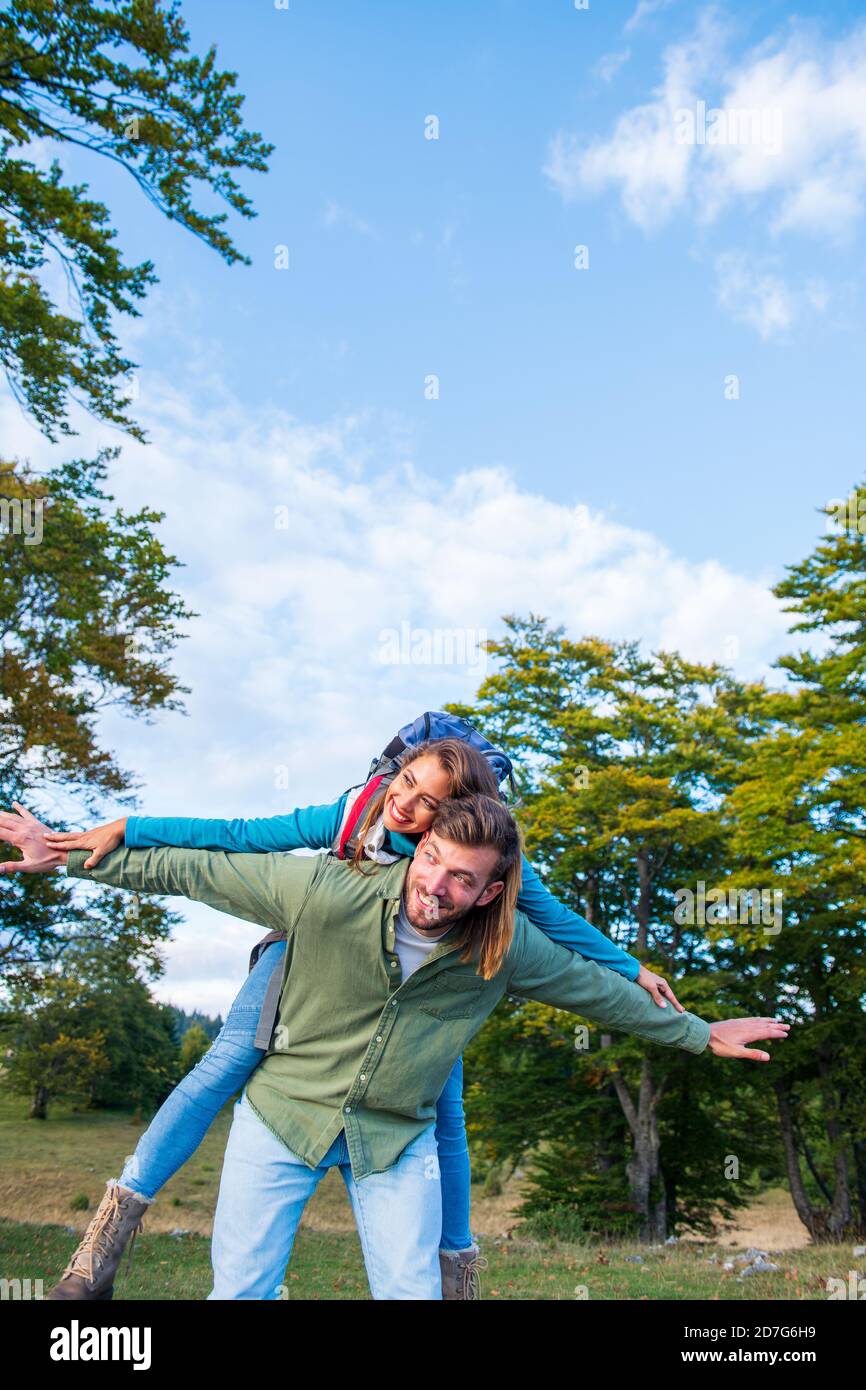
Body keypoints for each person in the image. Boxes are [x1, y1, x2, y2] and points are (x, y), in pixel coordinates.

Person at [0, 794, 789, 1300]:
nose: (437, 886)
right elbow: (196, 866)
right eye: (434, 862)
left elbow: (600, 991)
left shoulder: (506, 949)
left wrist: (698, 1033)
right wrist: (64, 859)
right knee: (240, 1293)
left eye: (462, 879)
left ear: (489, 890)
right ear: (421, 850)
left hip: (392, 1137)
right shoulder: (326, 891)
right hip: (282, 1118)